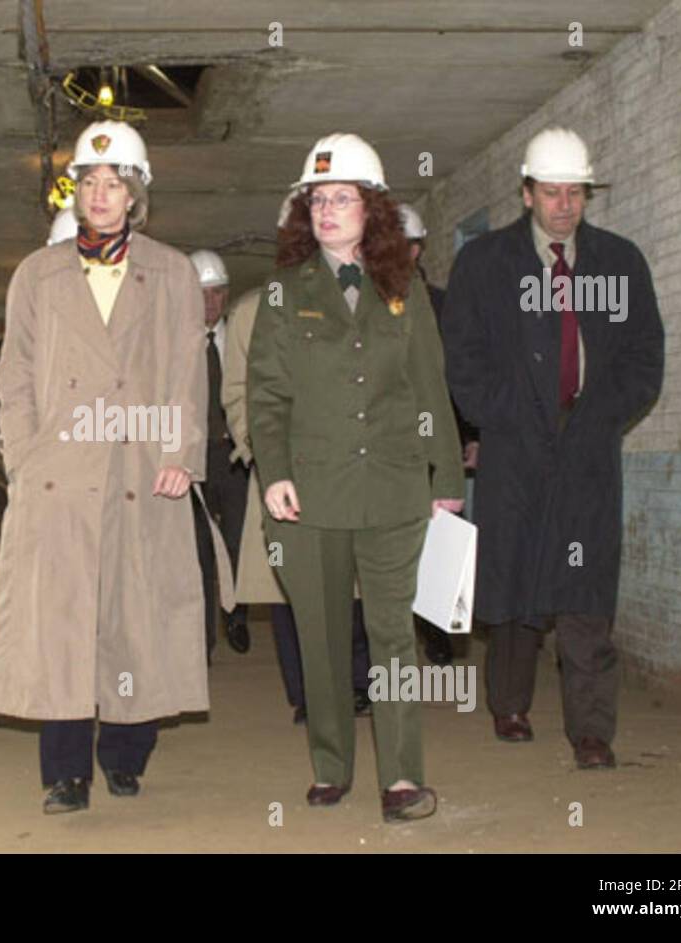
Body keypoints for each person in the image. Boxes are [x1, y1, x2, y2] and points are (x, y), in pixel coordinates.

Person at [0, 120, 210, 814]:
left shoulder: (170, 270)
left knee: (134, 614)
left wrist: (181, 451)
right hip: (59, 470)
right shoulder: (37, 273)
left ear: (136, 195)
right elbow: (14, 374)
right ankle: (64, 772)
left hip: (141, 465)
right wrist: (22, 454)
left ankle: (124, 752)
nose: (101, 194)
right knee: (61, 620)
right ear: (75, 191)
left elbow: (185, 369)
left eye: (114, 184)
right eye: (89, 182)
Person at [247, 132, 464, 822]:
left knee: (394, 631)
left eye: (341, 197)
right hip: (310, 493)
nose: (327, 210)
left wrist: (446, 477)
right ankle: (331, 763)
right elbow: (266, 396)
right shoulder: (283, 294)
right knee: (323, 633)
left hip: (397, 487)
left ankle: (402, 777)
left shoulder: (406, 290)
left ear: (372, 209)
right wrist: (274, 474)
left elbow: (433, 388)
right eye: (316, 200)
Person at [440, 127, 664, 769]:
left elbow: (646, 355)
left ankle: (591, 731)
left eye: (576, 193)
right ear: (527, 193)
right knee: (513, 581)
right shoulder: (484, 264)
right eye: (551, 192)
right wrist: (502, 418)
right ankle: (509, 702)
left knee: (586, 588)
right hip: (515, 451)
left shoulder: (620, 263)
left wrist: (604, 416)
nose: (564, 205)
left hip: (588, 452)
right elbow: (464, 360)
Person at [221, 282, 306, 723]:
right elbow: (237, 391)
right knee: (286, 586)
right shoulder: (254, 313)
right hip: (280, 467)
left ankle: (355, 684)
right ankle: (306, 694)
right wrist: (262, 454)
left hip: (347, 470)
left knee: (350, 585)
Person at [189, 249, 251, 658]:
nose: (211, 302)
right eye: (203, 294)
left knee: (238, 542)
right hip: (193, 460)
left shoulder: (244, 339)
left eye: (217, 293)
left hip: (235, 459)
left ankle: (237, 615)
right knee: (196, 550)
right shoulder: (175, 344)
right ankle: (202, 638)